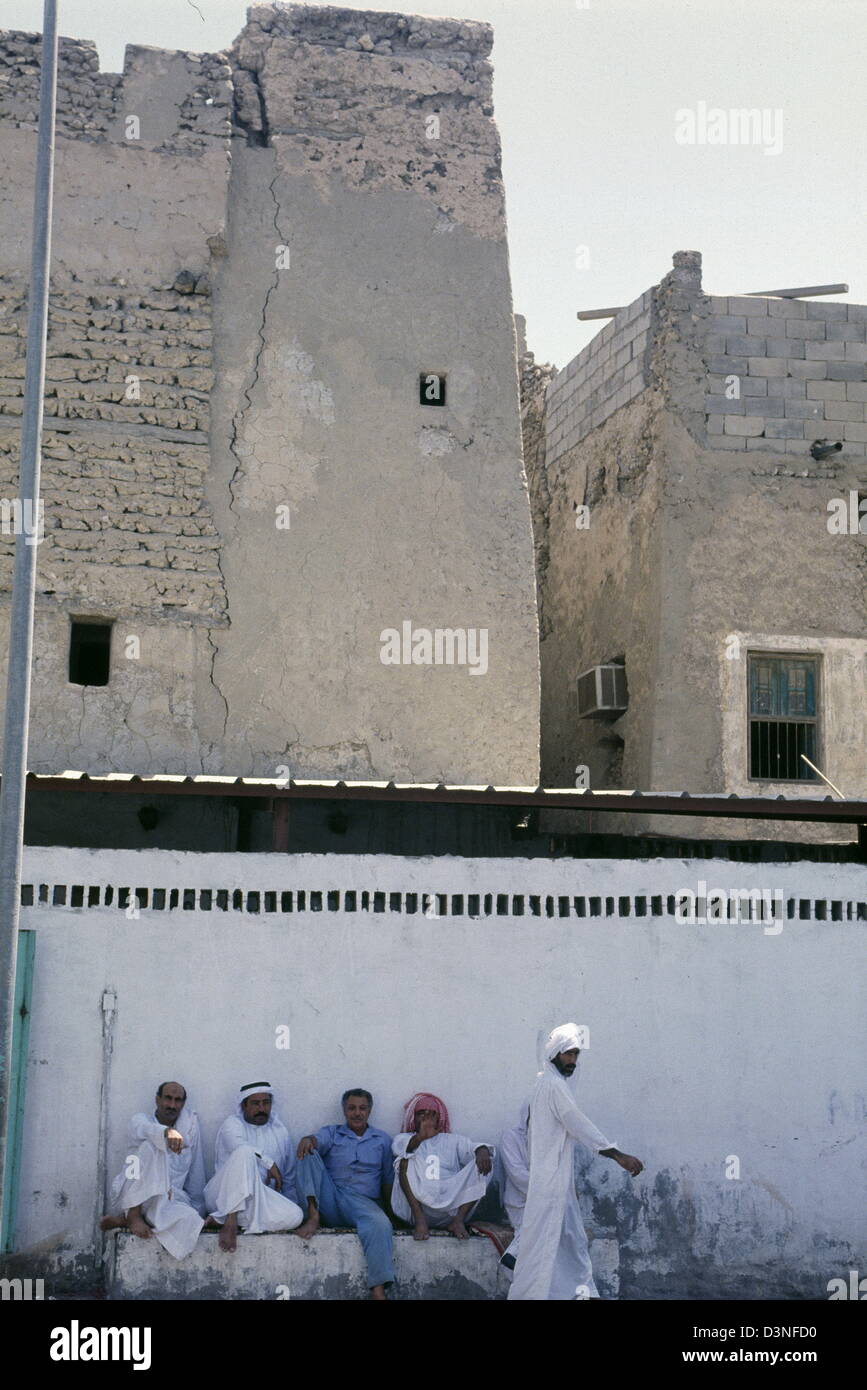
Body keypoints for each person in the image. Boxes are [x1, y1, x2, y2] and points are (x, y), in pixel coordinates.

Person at [508, 1023, 643, 1301]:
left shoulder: (545, 1083)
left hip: (556, 1182)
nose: (572, 1061)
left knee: (571, 1239)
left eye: (575, 1055)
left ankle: (583, 1293)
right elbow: (578, 1125)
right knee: (546, 1244)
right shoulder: (553, 1086)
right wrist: (617, 1154)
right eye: (568, 1054)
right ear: (555, 1053)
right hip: (550, 1183)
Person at [294, 1088, 396, 1300]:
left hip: (363, 1203)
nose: (357, 1113)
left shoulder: (383, 1140)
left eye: (362, 1108)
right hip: (331, 1199)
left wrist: (391, 1213)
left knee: (380, 1223)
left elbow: (387, 1180)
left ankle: (378, 1289)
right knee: (307, 1152)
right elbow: (316, 1140)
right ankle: (313, 1217)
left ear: (370, 1110)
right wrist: (308, 1139)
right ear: (344, 1110)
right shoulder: (332, 1133)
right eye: (351, 1108)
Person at [100, 1080, 204, 1259]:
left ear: (183, 1104)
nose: (172, 1105)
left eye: (177, 1100)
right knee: (152, 1146)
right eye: (168, 1098)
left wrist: (199, 1207)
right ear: (157, 1100)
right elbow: (146, 1130)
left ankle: (126, 1221)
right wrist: (166, 1132)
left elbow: (196, 1172)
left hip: (166, 1199)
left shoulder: (188, 1130)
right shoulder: (140, 1121)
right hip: (132, 1192)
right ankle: (132, 1215)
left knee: (191, 1218)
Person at [204, 1081, 304, 1252]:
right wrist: (269, 1163)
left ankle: (219, 1220)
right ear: (244, 1105)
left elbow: (288, 1177)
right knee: (244, 1152)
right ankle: (229, 1219)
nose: (261, 1108)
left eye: (266, 1103)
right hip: (223, 1195)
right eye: (255, 1103)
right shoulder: (232, 1124)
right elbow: (239, 1147)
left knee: (296, 1215)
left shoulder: (280, 1132)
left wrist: (286, 1204)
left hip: (260, 1201)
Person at [391, 1091, 493, 1240]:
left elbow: (472, 1147)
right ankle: (420, 1221)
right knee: (403, 1161)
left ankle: (458, 1221)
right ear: (414, 1117)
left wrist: (481, 1150)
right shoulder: (405, 1138)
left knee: (485, 1161)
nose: (426, 1118)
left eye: (431, 1114)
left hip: (451, 1207)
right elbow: (400, 1148)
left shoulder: (452, 1140)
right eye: (421, 1114)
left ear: (439, 1117)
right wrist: (421, 1137)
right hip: (418, 1210)